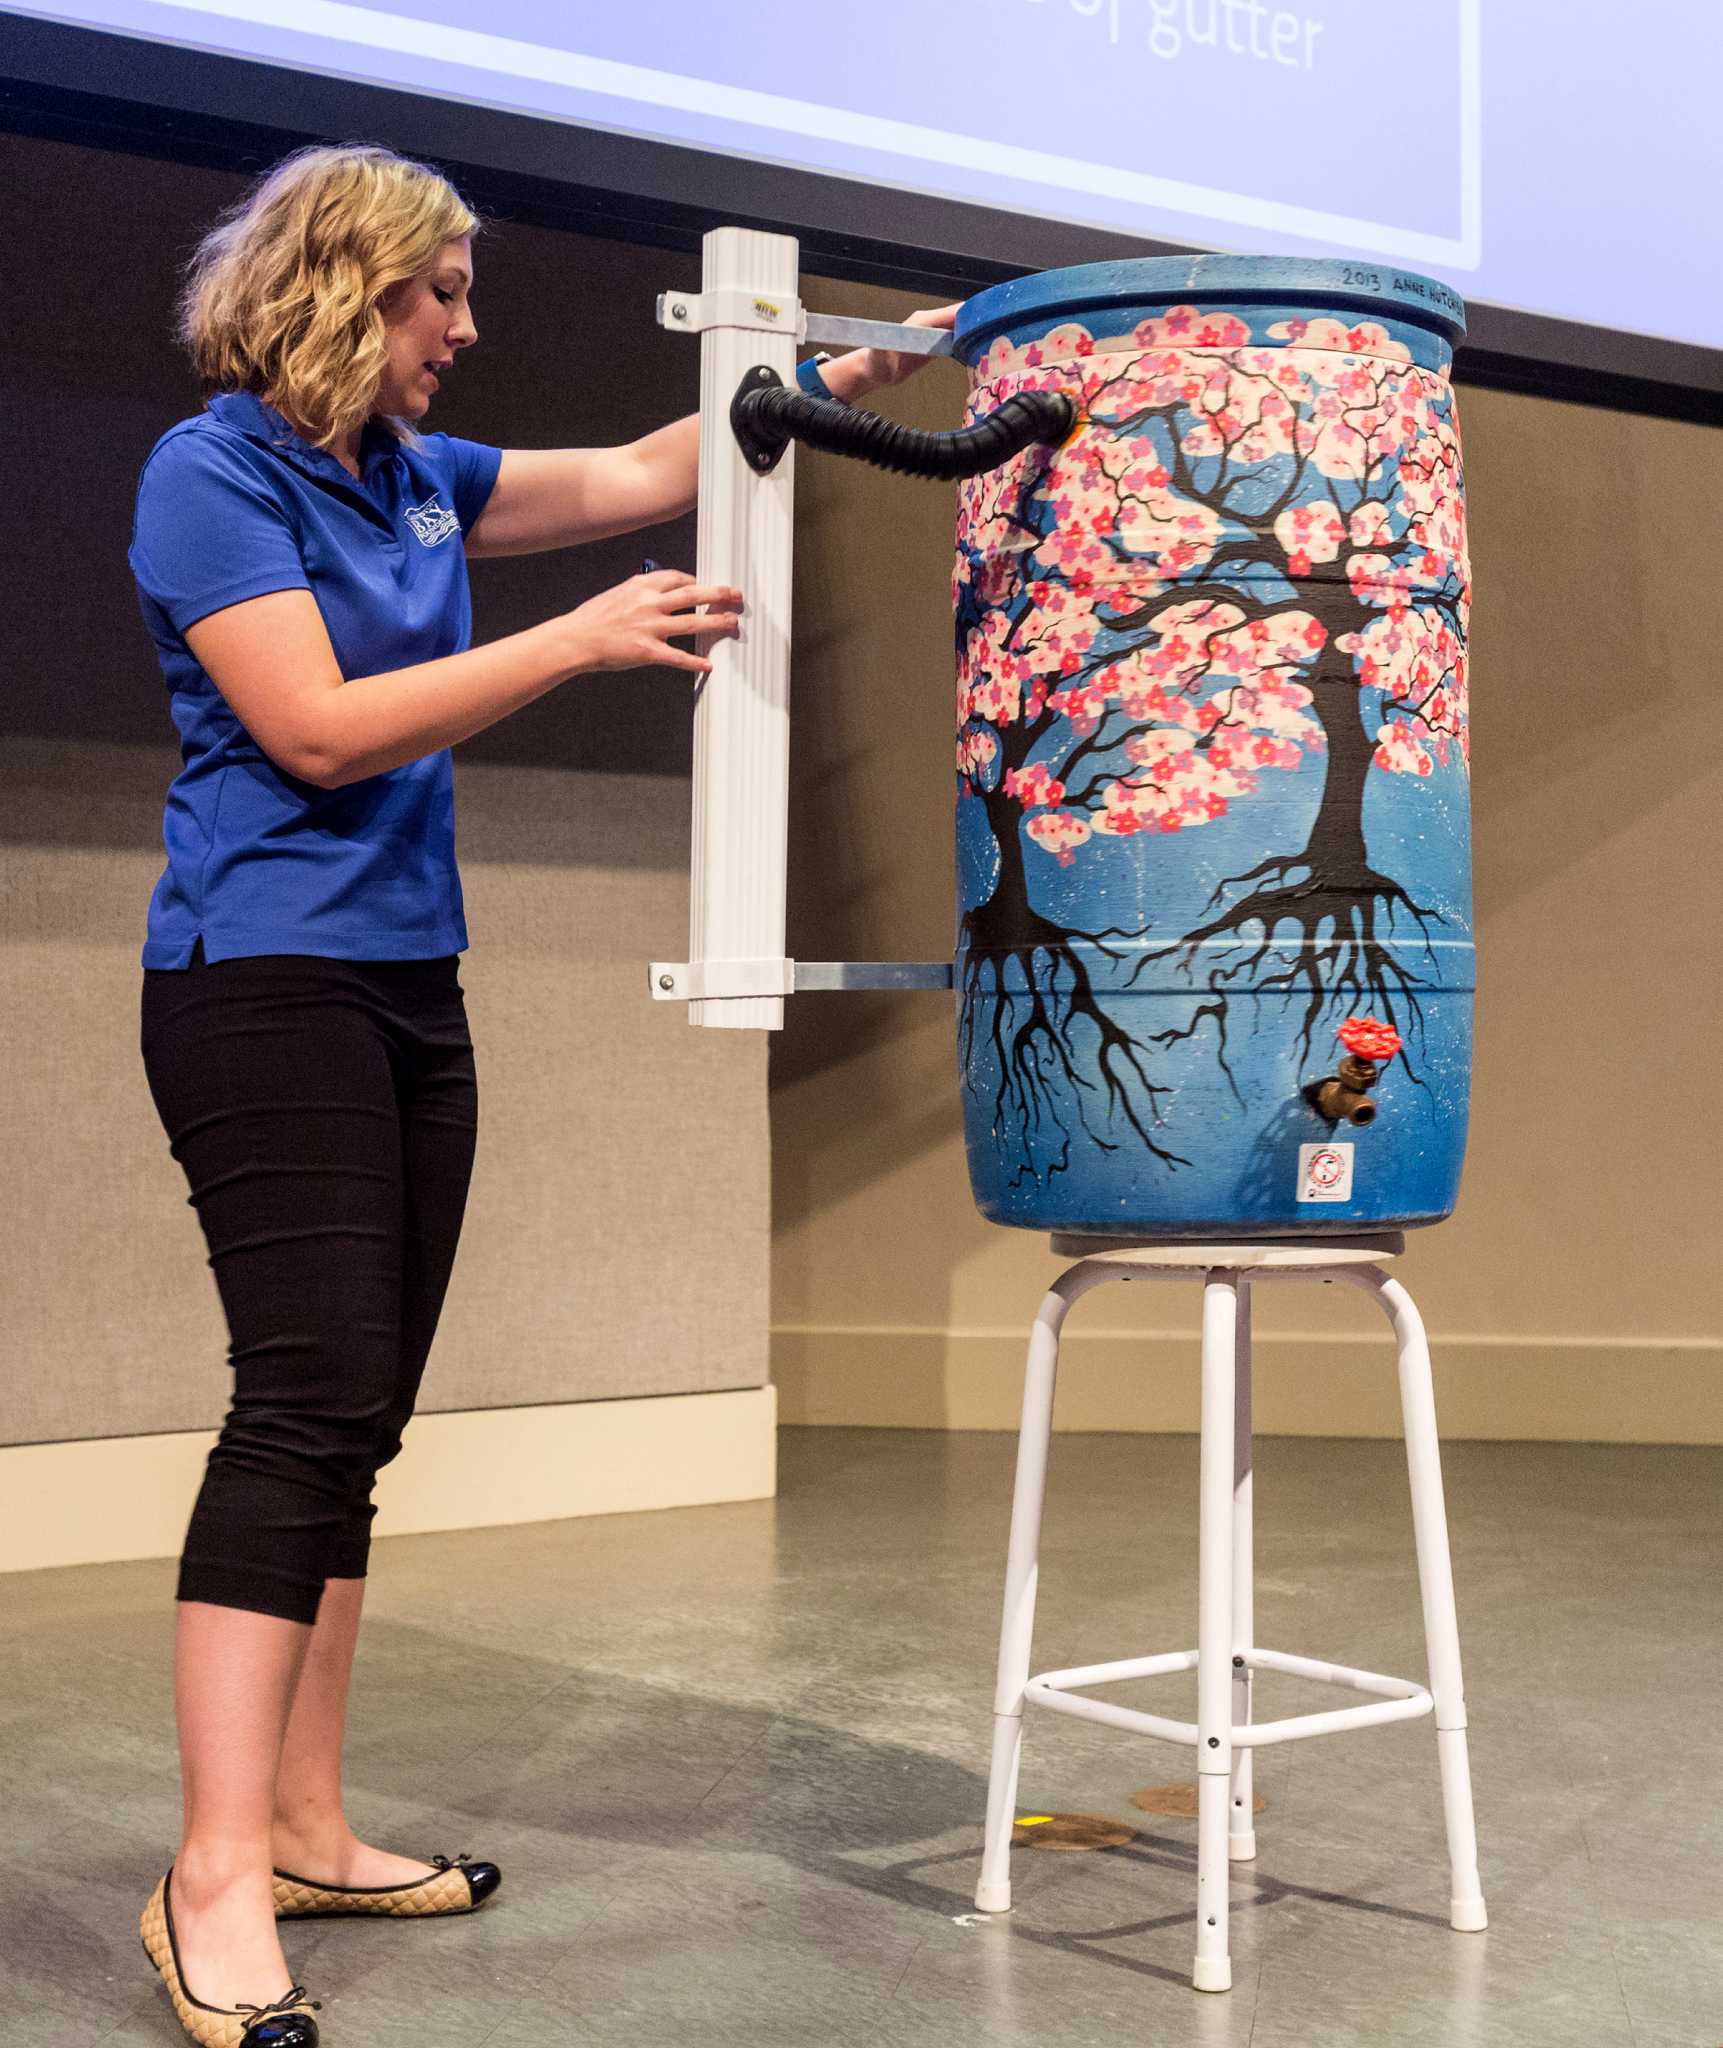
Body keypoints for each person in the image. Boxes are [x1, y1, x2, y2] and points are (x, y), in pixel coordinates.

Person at [128, 139, 956, 2047]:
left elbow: (654, 468)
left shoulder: (414, 476)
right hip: (260, 986)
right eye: (444, 295)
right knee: (301, 1406)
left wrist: (850, 372)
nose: (467, 330)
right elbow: (315, 731)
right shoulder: (213, 473)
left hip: (408, 988)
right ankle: (213, 1877)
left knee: (358, 1421)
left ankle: (308, 1827)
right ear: (349, 287)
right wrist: (576, 641)